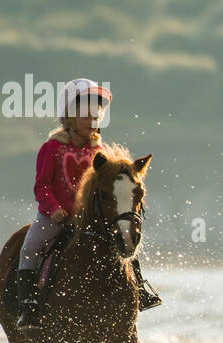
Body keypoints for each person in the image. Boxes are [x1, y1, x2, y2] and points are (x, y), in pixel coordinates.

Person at [13, 78, 161, 329]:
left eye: (97, 115)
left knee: (124, 242)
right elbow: (42, 186)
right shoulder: (51, 149)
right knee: (30, 248)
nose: (93, 120)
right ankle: (28, 307)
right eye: (86, 115)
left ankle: (140, 289)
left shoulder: (99, 151)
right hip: (55, 216)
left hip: (91, 217)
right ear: (70, 116)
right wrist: (54, 209)